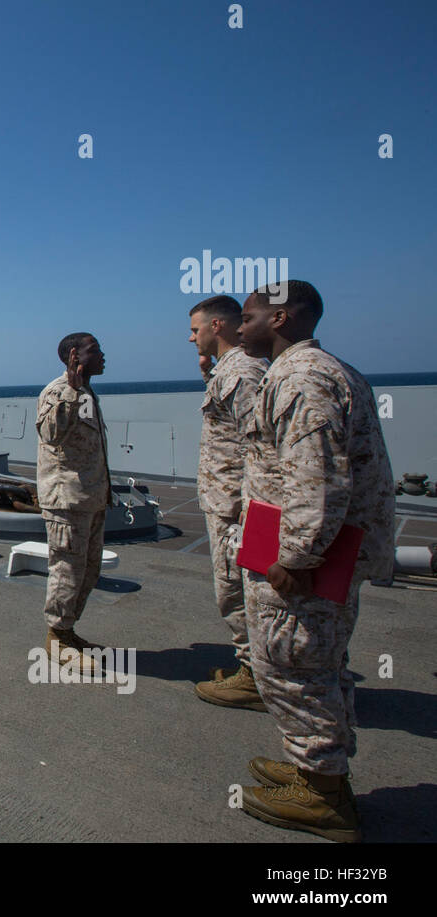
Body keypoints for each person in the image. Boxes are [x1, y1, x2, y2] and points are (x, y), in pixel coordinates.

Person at [235, 281, 394, 842]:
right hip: (313, 544)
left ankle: (324, 794)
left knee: (292, 663)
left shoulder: (302, 378)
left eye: (248, 316)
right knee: (317, 662)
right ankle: (315, 768)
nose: (239, 326)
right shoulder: (328, 369)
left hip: (303, 553)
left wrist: (297, 556)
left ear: (279, 317)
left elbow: (316, 476)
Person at [188, 296, 270, 708]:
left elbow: (262, 445)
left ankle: (256, 678)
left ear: (217, 326)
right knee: (234, 592)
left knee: (238, 593)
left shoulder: (243, 373)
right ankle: (253, 670)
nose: (191, 337)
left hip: (238, 509)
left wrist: (248, 511)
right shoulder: (228, 372)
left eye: (195, 329)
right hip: (227, 502)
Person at [35, 333, 112, 674]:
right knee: (67, 571)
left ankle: (68, 631)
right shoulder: (57, 391)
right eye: (95, 350)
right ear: (73, 356)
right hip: (66, 500)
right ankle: (57, 638)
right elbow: (50, 433)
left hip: (90, 498)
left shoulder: (87, 393)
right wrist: (70, 389)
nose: (103, 355)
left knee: (88, 570)